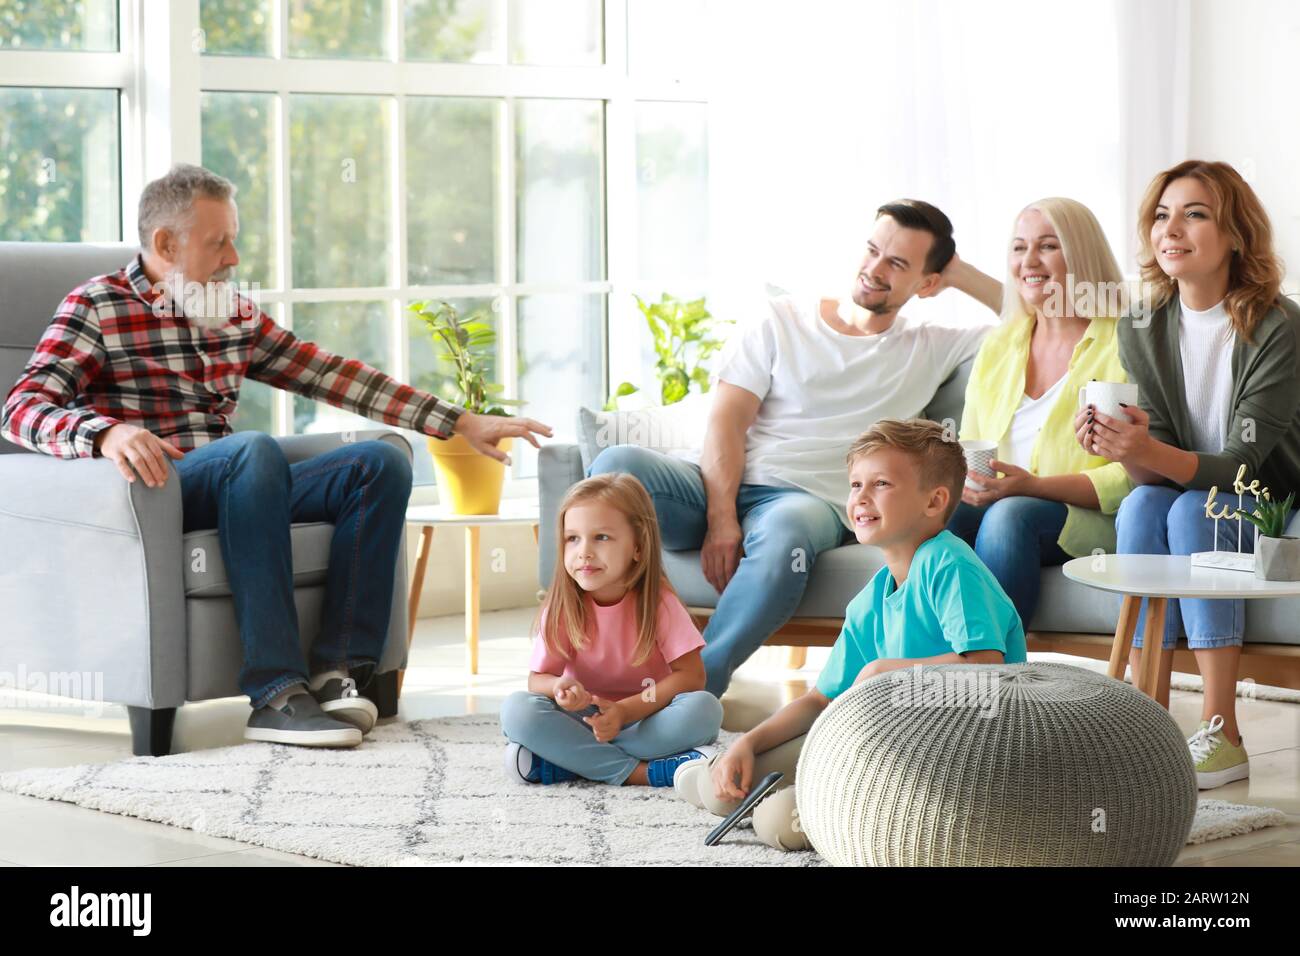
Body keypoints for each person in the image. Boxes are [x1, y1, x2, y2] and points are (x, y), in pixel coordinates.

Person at [1, 163, 552, 748]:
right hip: (162, 491)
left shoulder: (230, 313)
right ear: (165, 244)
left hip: (246, 487)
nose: (234, 257)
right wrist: (105, 433)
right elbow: (21, 406)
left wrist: (460, 422)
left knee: (378, 463)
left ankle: (340, 670)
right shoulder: (99, 307)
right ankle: (274, 693)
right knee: (253, 451)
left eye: (234, 239)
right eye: (219, 242)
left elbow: (329, 374)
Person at [590, 199, 1002, 697]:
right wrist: (722, 518)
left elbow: (1035, 314)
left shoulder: (933, 345)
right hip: (714, 485)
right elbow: (726, 420)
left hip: (804, 502)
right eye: (873, 250)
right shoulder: (781, 320)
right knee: (614, 468)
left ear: (928, 283)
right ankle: (590, 663)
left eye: (897, 263)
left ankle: (693, 689)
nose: (874, 269)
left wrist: (955, 269)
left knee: (786, 535)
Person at [676, 419, 1025, 849]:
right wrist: (746, 742)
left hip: (953, 759)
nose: (860, 497)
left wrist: (887, 673)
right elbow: (820, 700)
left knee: (778, 823)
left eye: (880, 484)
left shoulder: (948, 565)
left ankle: (759, 794)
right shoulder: (869, 600)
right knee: (727, 782)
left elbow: (988, 668)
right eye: (855, 484)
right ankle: (701, 776)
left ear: (934, 502)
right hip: (883, 746)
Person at [1076, 159, 1300, 788]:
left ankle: (1222, 729)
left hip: (1269, 497)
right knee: (1144, 508)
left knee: (1192, 507)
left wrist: (1143, 449)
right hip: (1185, 493)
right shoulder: (1142, 326)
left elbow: (1241, 465)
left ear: (1235, 234)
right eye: (1161, 215)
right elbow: (1159, 469)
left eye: (1195, 214)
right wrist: (1119, 446)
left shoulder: (1278, 326)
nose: (1171, 228)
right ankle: (1145, 722)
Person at [947, 198, 1133, 628]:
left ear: (1080, 255)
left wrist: (1033, 486)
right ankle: (911, 667)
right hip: (1000, 503)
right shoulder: (1000, 344)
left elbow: (1129, 476)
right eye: (1019, 247)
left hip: (1088, 518)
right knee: (932, 510)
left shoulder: (1123, 342)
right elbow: (968, 444)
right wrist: (959, 482)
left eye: (1048, 246)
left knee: (1010, 515)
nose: (1029, 260)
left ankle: (993, 672)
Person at [500, 473, 724, 786]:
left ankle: (571, 761)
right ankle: (642, 772)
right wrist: (560, 687)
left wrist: (623, 712)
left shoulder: (659, 603)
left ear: (638, 546)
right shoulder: (564, 606)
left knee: (705, 709)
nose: (584, 552)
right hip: (583, 720)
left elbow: (691, 677)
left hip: (646, 717)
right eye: (572, 538)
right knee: (517, 711)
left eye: (601, 537)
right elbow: (538, 681)